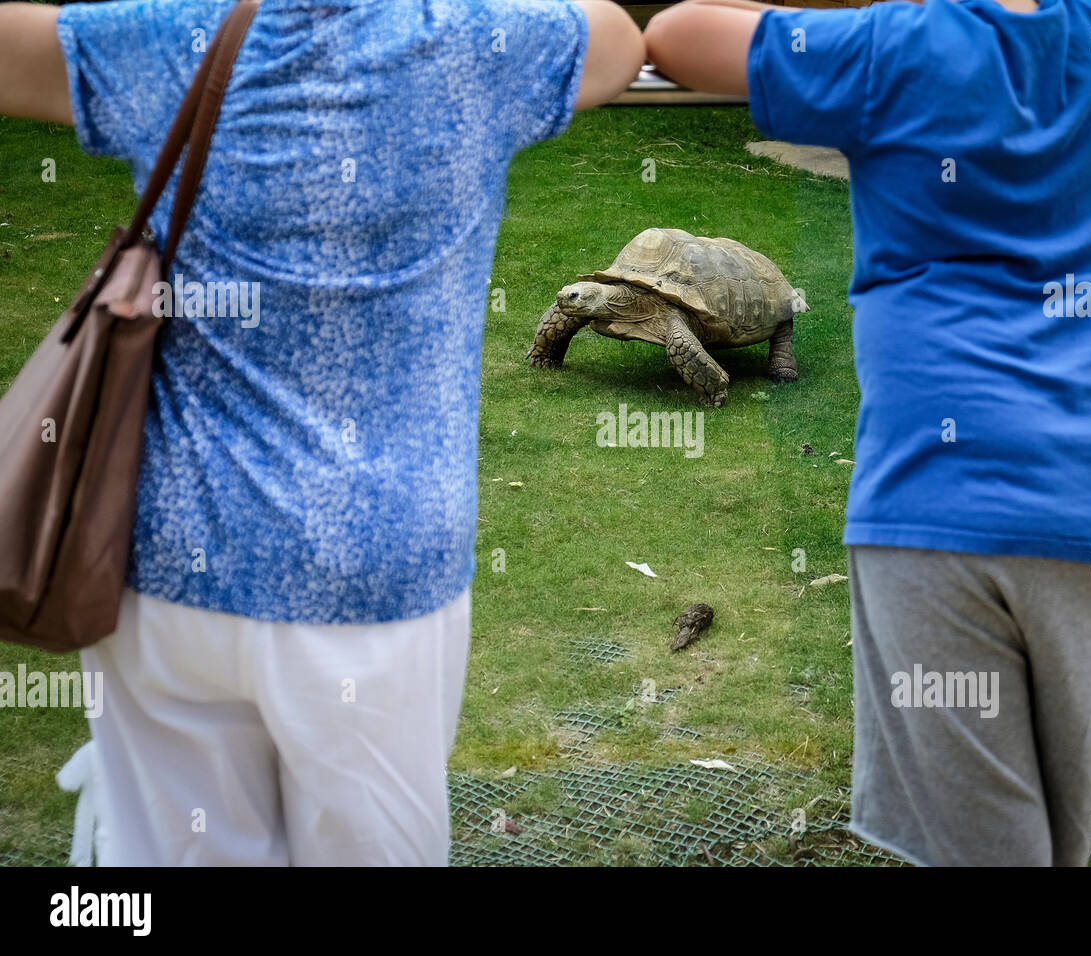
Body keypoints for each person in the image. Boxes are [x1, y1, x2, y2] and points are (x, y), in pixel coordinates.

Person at [0, 0, 644, 865]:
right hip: (376, 581)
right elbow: (621, 39)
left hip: (172, 564)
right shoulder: (479, 45)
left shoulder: (161, 36)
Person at [646, 0, 1091, 865]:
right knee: (1057, 834)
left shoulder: (884, 49)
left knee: (987, 849)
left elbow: (674, 34)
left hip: (943, 500)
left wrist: (824, 30)